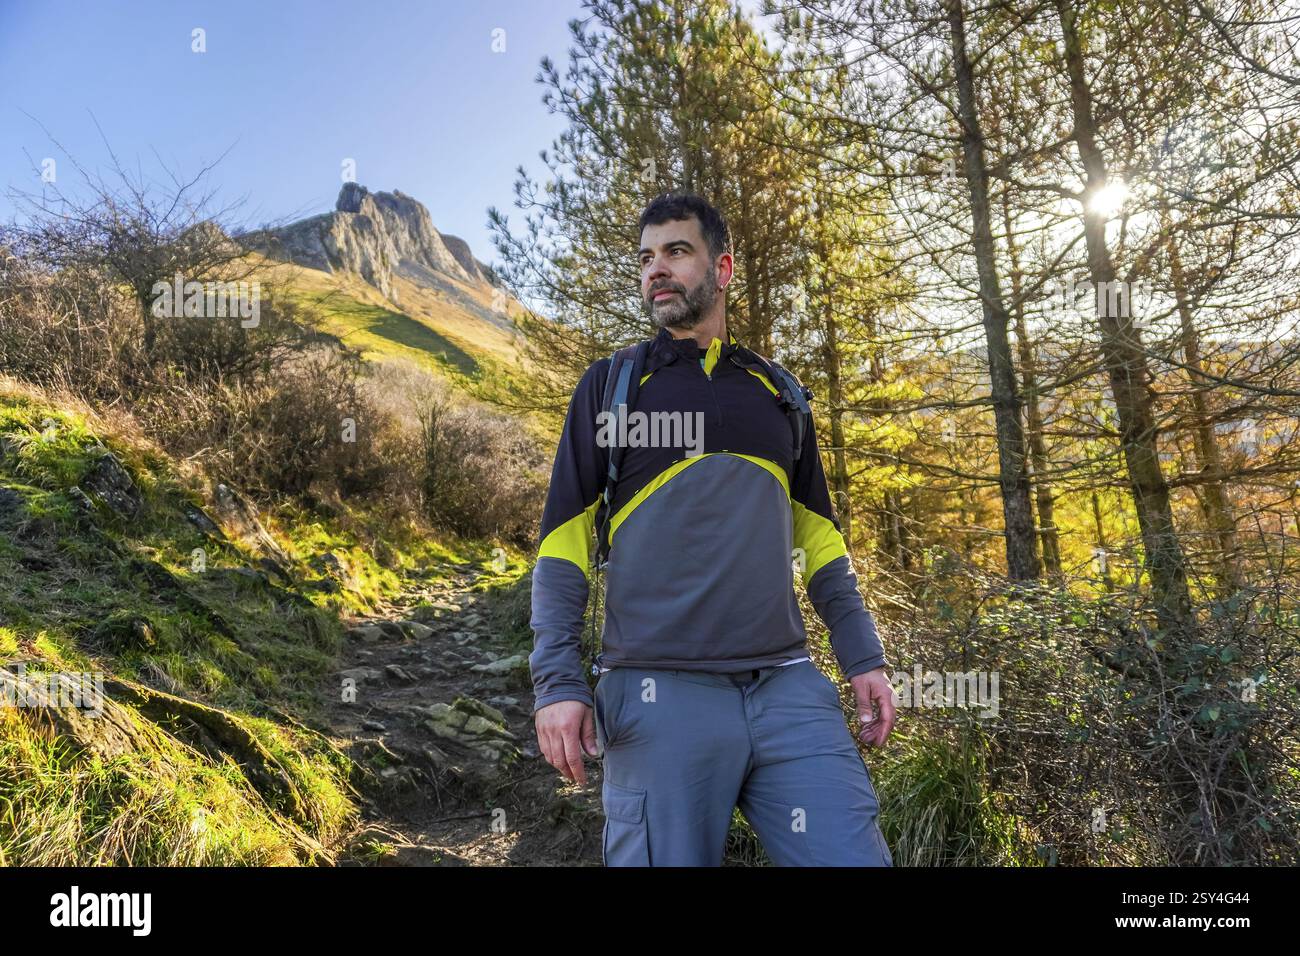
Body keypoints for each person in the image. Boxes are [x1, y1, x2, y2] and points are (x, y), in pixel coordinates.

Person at [528, 191, 896, 866]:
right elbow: (562, 547)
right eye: (645, 258)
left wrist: (862, 657)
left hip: (789, 691)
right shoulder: (613, 387)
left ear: (722, 269)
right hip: (656, 691)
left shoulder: (779, 393)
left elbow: (821, 545)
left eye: (676, 252)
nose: (656, 270)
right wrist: (557, 683)